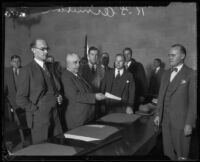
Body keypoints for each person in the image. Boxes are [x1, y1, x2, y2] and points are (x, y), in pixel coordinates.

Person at [154, 44, 197, 160]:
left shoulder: (191, 73)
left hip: (181, 124)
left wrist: (189, 123)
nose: (170, 58)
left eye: (173, 55)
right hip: (165, 122)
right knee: (168, 154)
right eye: (169, 55)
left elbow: (194, 102)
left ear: (182, 56)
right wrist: (158, 114)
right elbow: (161, 95)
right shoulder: (166, 73)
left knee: (181, 155)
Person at [16, 38, 63, 144]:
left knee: (59, 146)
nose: (46, 51)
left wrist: (59, 96)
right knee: (42, 149)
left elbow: (55, 88)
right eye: (43, 49)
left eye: (47, 49)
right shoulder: (27, 70)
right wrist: (35, 109)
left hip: (55, 116)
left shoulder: (50, 67)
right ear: (33, 50)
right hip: (39, 118)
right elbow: (20, 99)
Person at [61, 53, 106, 130]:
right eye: (75, 63)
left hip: (86, 116)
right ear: (68, 64)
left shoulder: (77, 75)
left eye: (79, 62)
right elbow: (75, 96)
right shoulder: (66, 76)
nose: (78, 65)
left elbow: (86, 90)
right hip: (77, 119)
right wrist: (95, 96)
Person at [123, 47, 148, 113]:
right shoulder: (120, 65)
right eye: (125, 54)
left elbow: (143, 80)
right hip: (123, 96)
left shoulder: (138, 65)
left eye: (128, 54)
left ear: (131, 55)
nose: (126, 56)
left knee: (132, 113)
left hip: (135, 95)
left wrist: (143, 95)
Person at [4, 55, 22, 122]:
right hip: (13, 101)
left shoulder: (24, 70)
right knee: (17, 120)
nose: (17, 63)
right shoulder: (6, 72)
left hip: (25, 100)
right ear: (11, 62)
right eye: (14, 61)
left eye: (18, 61)